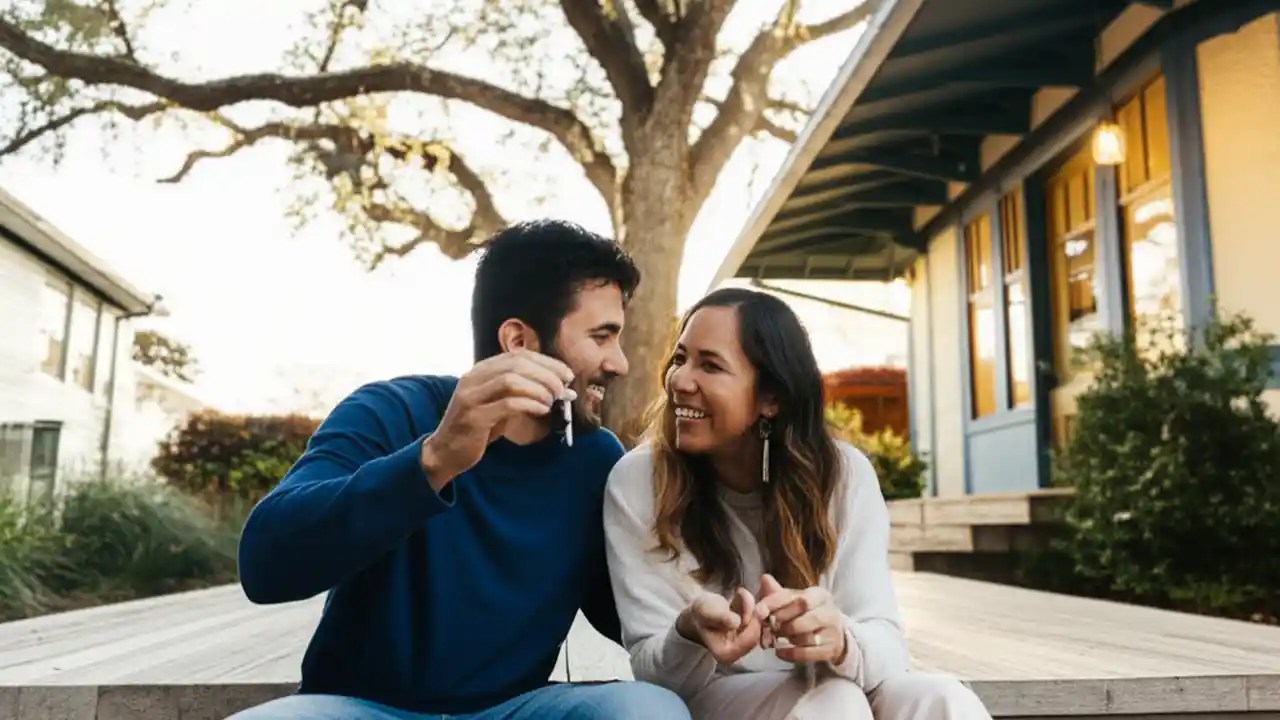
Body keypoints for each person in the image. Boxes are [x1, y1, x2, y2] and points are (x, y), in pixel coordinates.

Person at [230, 220, 689, 720]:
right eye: (601, 337)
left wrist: (697, 617)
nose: (619, 363)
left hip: (510, 711)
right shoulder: (390, 411)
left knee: (648, 709)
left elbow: (622, 608)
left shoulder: (595, 458)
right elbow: (264, 566)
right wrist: (434, 460)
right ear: (518, 340)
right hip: (361, 709)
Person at [602, 287, 993, 719]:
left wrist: (841, 639)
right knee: (833, 700)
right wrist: (688, 631)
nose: (679, 380)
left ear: (771, 399)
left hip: (835, 682)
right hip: (714, 697)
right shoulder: (640, 481)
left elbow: (886, 647)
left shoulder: (843, 475)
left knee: (942, 697)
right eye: (680, 359)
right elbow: (652, 676)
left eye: (710, 365)